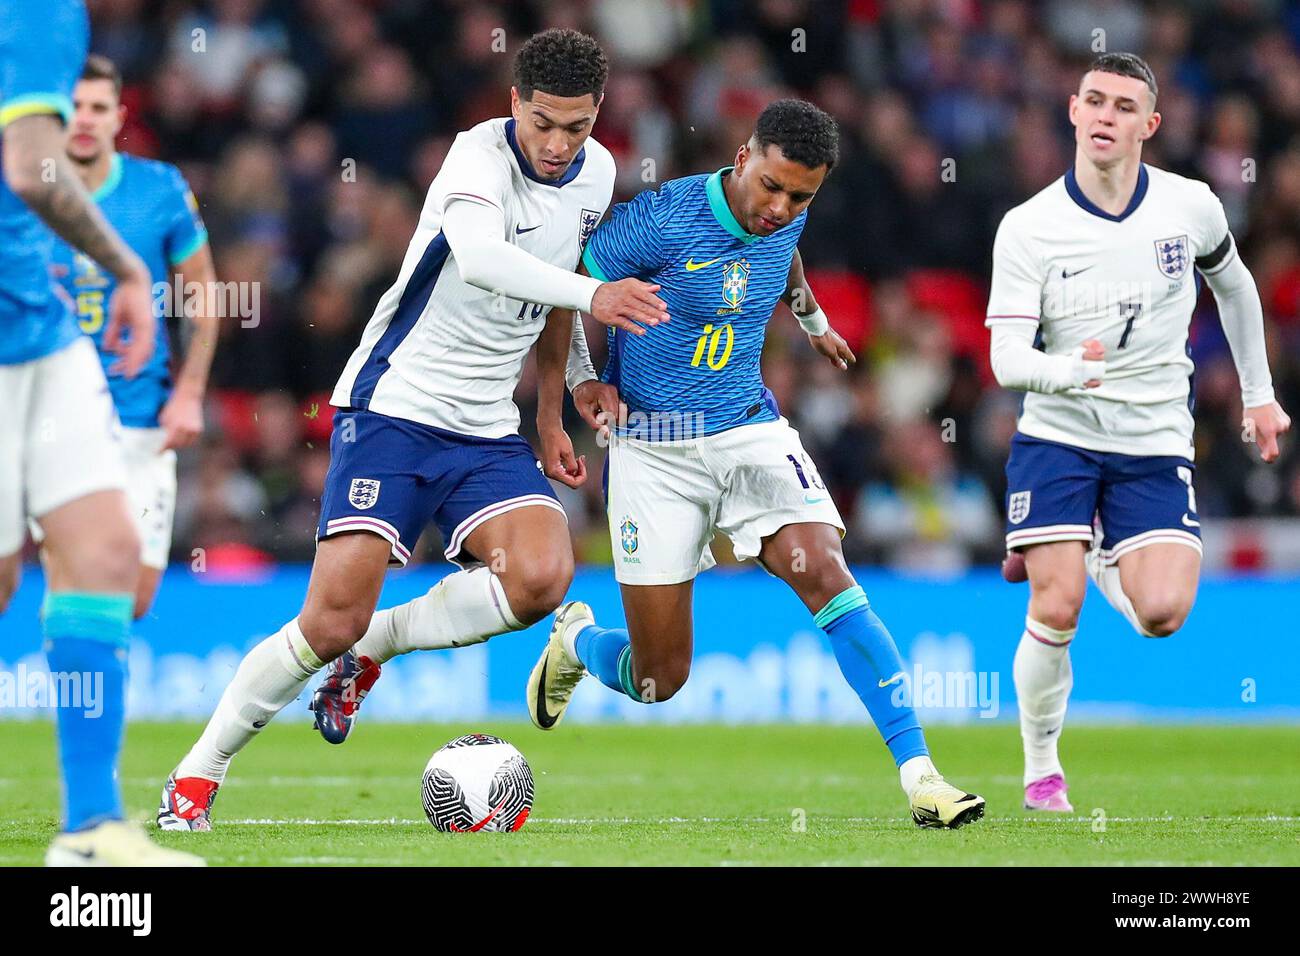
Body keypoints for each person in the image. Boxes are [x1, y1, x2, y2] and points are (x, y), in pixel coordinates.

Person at [157, 28, 667, 830]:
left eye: (577, 126)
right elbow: (485, 260)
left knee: (541, 576)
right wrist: (594, 295)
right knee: (330, 621)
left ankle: (376, 649)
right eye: (542, 122)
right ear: (514, 103)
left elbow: (556, 295)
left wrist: (556, 404)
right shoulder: (474, 158)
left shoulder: (597, 174)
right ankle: (198, 773)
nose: (558, 144)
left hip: (486, 425)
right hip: (395, 408)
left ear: (597, 114)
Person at [529, 100, 986, 830]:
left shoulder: (790, 214)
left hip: (748, 429)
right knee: (658, 679)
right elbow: (563, 293)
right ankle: (578, 641)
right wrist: (574, 391)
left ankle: (922, 777)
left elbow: (787, 256)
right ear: (743, 158)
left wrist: (814, 321)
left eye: (800, 197)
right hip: (652, 448)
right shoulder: (663, 219)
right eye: (771, 186)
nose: (780, 209)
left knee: (824, 569)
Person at [985, 53, 1290, 812]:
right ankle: (1041, 772)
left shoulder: (1190, 207)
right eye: (1094, 101)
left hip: (1154, 439)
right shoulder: (1029, 227)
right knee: (1056, 607)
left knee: (1162, 615)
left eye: (1124, 107)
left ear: (1149, 125)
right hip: (1057, 435)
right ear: (1073, 111)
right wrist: (1068, 373)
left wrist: (1259, 396)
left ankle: (1086, 545)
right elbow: (1005, 358)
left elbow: (1236, 287)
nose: (1105, 116)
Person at [1, 0, 200, 864]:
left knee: (108, 554)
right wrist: (124, 267)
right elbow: (32, 168)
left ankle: (89, 829)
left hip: (40, 329)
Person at [34, 54, 217, 619]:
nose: (85, 119)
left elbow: (203, 295)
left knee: (134, 598)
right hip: (53, 415)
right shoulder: (25, 191)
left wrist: (190, 392)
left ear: (119, 116)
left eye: (98, 107)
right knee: (80, 575)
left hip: (141, 413)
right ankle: (71, 670)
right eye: (74, 107)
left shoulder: (159, 188)